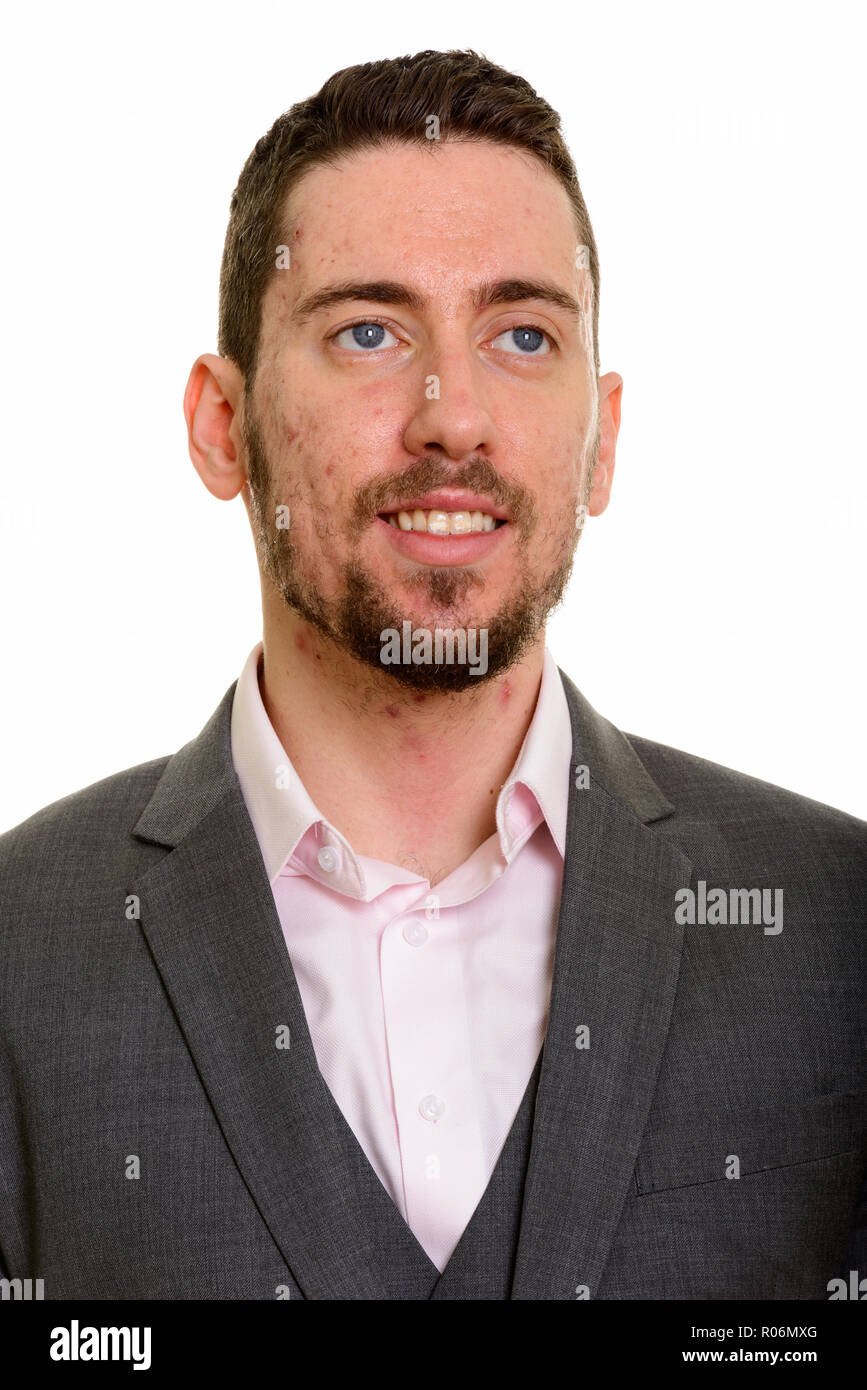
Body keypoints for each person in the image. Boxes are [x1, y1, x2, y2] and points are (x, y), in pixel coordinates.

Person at [1, 49, 864, 1301]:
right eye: (367, 330)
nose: (452, 414)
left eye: (522, 334)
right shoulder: (20, 957)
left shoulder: (837, 926)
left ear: (603, 442)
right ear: (218, 424)